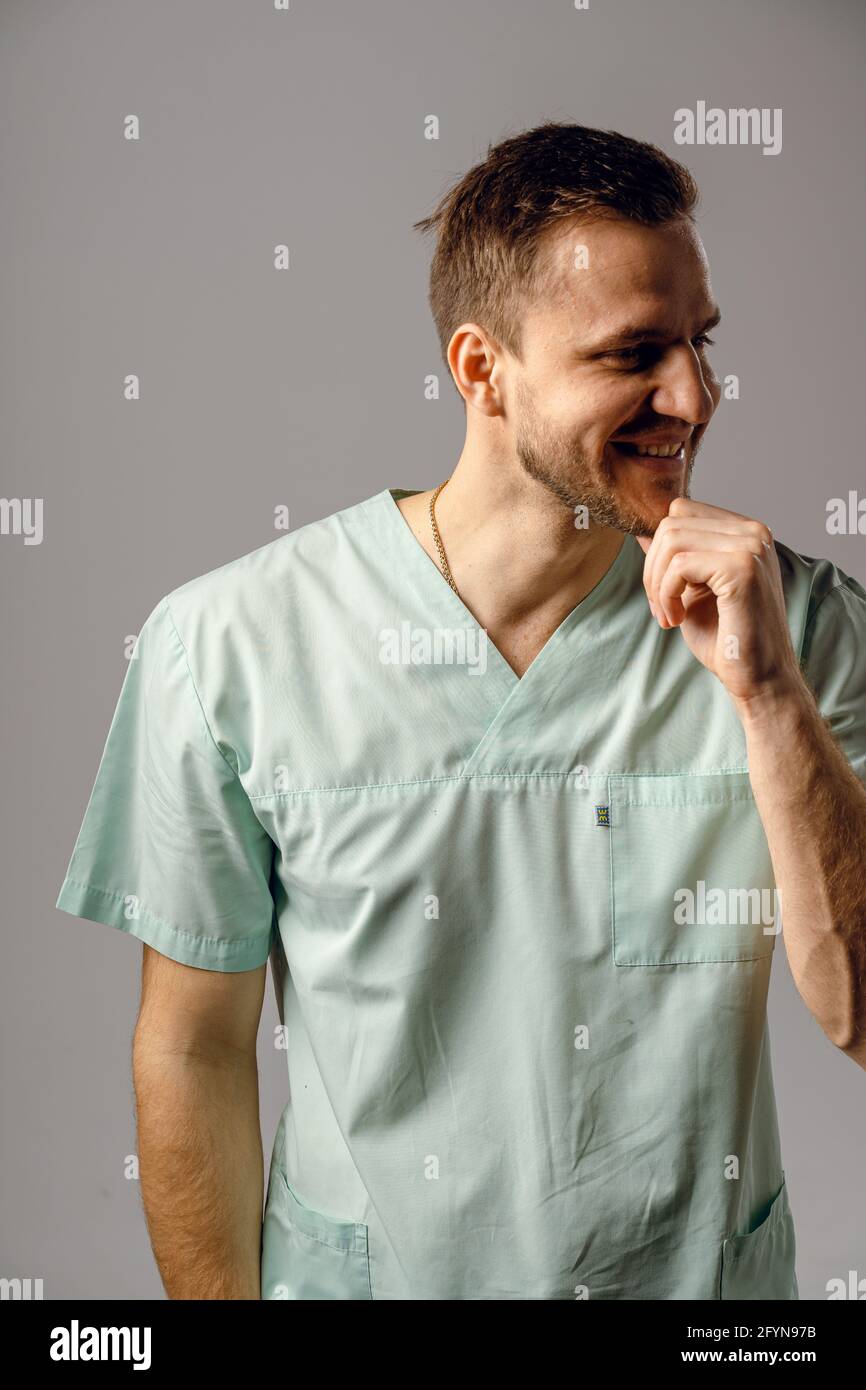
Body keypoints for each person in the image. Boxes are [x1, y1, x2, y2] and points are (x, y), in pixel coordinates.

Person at [55, 120, 866, 1301]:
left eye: (699, 341)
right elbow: (192, 1047)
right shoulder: (230, 645)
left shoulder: (796, 626)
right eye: (632, 351)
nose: (691, 395)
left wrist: (765, 696)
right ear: (480, 369)